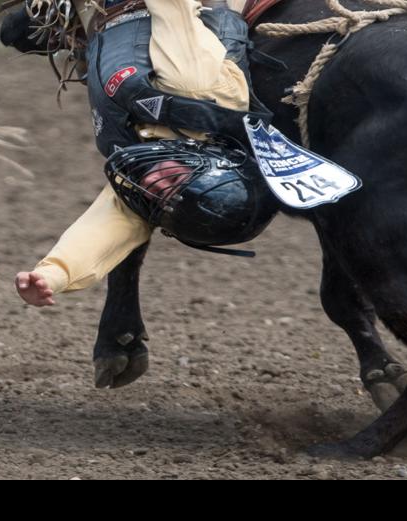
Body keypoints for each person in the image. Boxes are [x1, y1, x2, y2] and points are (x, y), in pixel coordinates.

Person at [14, 0, 254, 307]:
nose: (158, 189)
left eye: (163, 202)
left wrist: (51, 276)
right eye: (173, 190)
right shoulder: (199, 87)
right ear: (209, 168)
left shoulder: (142, 183)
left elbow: (102, 230)